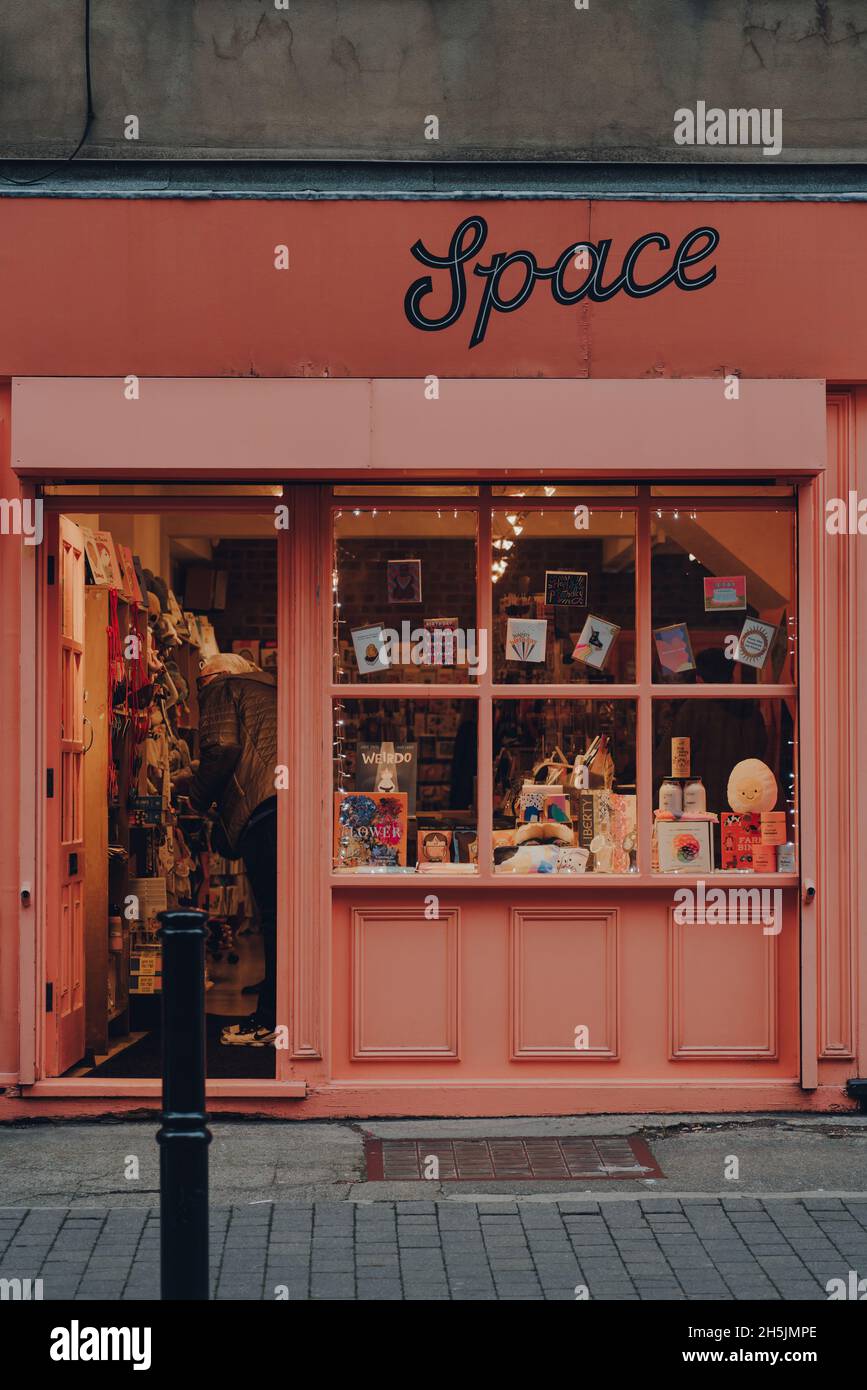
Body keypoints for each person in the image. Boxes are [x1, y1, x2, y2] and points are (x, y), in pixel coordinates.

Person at [174, 652, 278, 1047]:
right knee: (283, 917)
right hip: (285, 806)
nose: (200, 691)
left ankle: (270, 1021)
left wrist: (197, 798)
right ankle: (280, 1015)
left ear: (216, 676)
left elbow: (222, 749)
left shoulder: (223, 688)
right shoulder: (266, 692)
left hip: (263, 811)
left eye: (199, 683)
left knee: (273, 916)